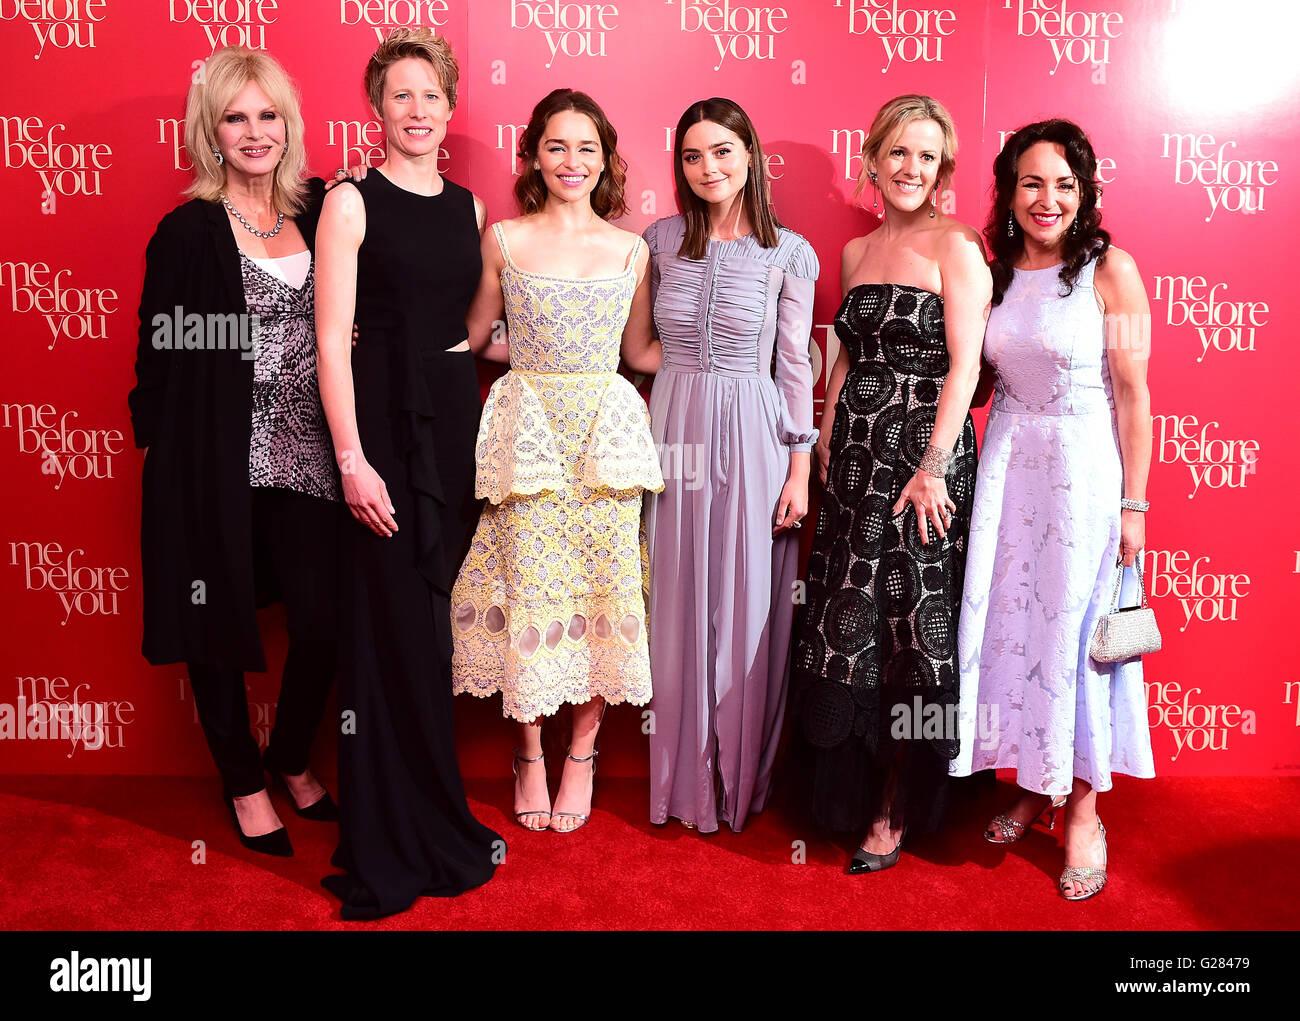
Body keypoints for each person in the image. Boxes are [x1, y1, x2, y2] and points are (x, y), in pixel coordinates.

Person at [129, 45, 341, 859]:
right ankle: (244, 777)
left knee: (324, 619)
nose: (256, 132)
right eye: (236, 117)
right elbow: (160, 348)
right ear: (210, 133)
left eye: (268, 114)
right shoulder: (187, 231)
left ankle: (290, 753)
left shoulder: (325, 210)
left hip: (315, 456)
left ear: (289, 124)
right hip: (216, 461)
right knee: (214, 619)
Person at [314, 28, 502, 920]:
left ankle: (434, 812)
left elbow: (470, 330)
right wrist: (352, 459)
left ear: (451, 107)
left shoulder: (469, 208)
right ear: (375, 108)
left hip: (452, 420)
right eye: (401, 96)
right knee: (386, 625)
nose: (418, 111)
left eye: (432, 96)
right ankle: (390, 834)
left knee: (433, 632)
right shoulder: (350, 202)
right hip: (380, 427)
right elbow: (329, 342)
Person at [950, 119, 1156, 900]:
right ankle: (1035, 784)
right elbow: (973, 377)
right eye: (1033, 182)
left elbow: (1135, 397)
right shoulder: (994, 272)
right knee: (1019, 632)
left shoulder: (1114, 271)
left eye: (1065, 184)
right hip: (1007, 470)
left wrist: (1134, 504)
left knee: (1077, 640)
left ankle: (1084, 813)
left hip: (1085, 476)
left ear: (1086, 192)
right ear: (1008, 190)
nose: (1049, 199)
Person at [452, 88, 663, 834]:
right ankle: (529, 753)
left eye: (586, 148)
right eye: (556, 146)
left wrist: (729, 359)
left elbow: (638, 352)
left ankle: (583, 753)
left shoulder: (632, 249)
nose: (572, 161)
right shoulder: (504, 238)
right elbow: (476, 335)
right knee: (532, 587)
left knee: (605, 587)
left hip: (604, 439)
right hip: (530, 435)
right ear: (534, 155)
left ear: (605, 159)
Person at [790, 95, 990, 873]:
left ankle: (897, 805)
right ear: (872, 157)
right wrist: (824, 453)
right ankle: (842, 790)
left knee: (913, 632)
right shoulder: (855, 252)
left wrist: (934, 466)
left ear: (943, 170)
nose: (911, 168)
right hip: (856, 468)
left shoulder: (958, 246)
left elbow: (966, 366)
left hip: (921, 467)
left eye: (927, 157)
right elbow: (842, 364)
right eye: (898, 153)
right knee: (853, 625)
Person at [642, 98, 819, 833]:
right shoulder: (656, 240)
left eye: (722, 150)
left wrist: (799, 468)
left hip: (756, 432)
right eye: (692, 155)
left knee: (746, 607)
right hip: (673, 423)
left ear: (750, 154)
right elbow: (639, 350)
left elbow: (794, 364)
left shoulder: (790, 252)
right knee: (675, 600)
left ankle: (736, 780)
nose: (707, 167)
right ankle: (680, 782)